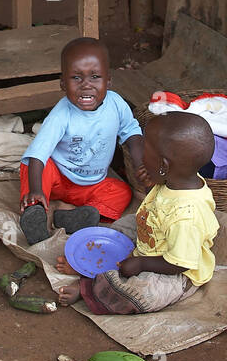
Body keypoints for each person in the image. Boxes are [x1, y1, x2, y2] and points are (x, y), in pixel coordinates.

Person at [55, 110, 219, 313]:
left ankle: (89, 285)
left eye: (145, 149)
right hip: (154, 240)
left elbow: (179, 263)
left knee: (141, 293)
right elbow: (162, 202)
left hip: (173, 271)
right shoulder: (177, 179)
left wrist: (141, 263)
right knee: (123, 226)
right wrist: (150, 183)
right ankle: (97, 267)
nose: (140, 154)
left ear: (163, 165)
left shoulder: (186, 216)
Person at [19, 37, 143, 245]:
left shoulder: (116, 104)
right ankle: (35, 211)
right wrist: (36, 189)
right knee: (34, 168)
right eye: (76, 78)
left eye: (95, 77)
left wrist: (141, 164)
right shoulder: (61, 114)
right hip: (59, 178)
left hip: (91, 185)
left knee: (122, 192)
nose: (86, 85)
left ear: (108, 81)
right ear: (62, 84)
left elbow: (131, 131)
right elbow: (38, 154)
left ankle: (75, 218)